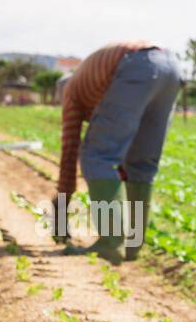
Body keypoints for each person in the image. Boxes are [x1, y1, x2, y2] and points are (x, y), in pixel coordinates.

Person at [52, 41, 181, 263]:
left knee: (97, 156)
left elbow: (70, 150)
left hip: (136, 66)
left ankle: (110, 242)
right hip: (170, 67)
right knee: (141, 164)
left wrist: (61, 204)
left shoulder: (72, 94)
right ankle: (133, 244)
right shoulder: (95, 82)